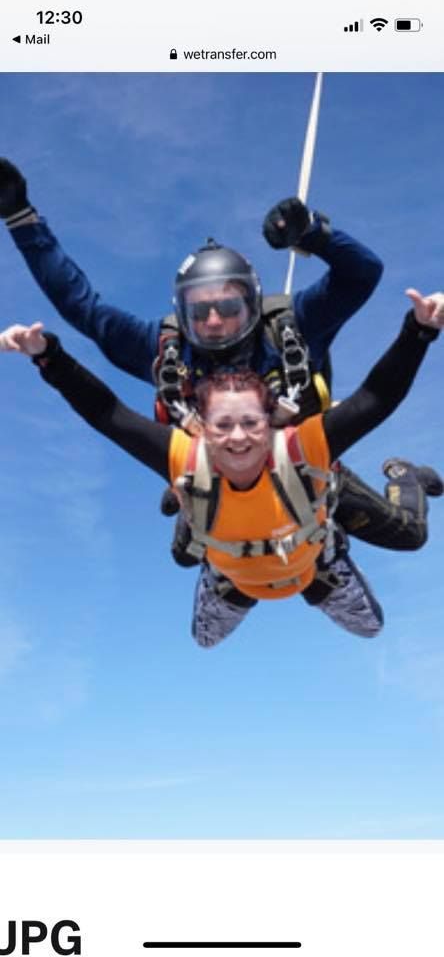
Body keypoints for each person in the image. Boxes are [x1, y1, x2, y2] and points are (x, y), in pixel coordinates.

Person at [1, 158, 440, 565]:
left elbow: (362, 274)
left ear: (251, 303)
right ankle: (190, 498)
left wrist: (313, 235)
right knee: (187, 555)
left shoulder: (291, 328)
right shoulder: (163, 349)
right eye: (199, 311)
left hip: (310, 469)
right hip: (219, 480)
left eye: (229, 308)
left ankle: (406, 474)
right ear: (182, 312)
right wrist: (21, 217)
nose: (214, 321)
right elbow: (81, 306)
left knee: (409, 535)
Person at [2, 287, 443, 648]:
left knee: (374, 623)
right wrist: (48, 356)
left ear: (268, 421)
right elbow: (106, 414)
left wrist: (418, 331)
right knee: (202, 630)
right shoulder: (184, 454)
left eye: (250, 423)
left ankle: (350, 527)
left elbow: (377, 398)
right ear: (203, 429)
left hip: (313, 570)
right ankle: (203, 536)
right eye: (224, 425)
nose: (237, 437)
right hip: (235, 580)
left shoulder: (303, 446)